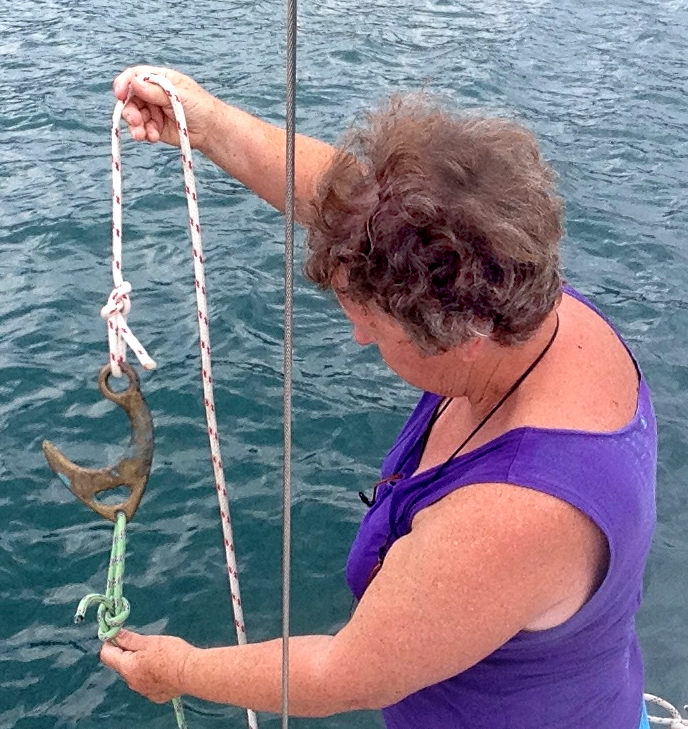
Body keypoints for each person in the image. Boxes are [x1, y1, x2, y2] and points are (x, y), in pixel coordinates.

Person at [100, 66, 657, 729]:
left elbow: (342, 673)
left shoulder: (517, 513)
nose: (358, 334)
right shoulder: (516, 291)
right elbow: (344, 206)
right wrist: (204, 122)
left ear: (462, 336)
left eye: (372, 322)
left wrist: (179, 670)